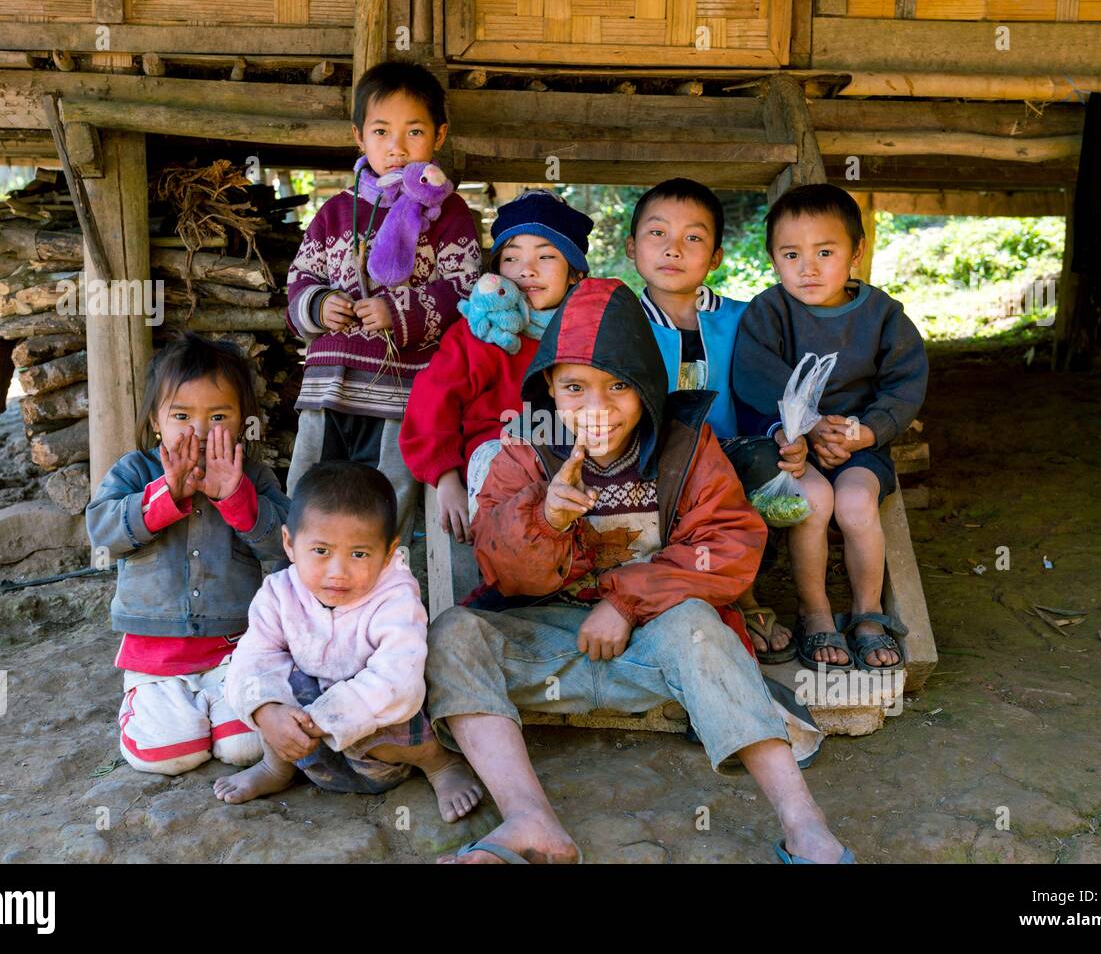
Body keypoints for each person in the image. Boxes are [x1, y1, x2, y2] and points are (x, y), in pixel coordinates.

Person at [425, 277, 843, 864]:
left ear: (648, 384)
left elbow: (729, 545)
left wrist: (625, 601)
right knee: (451, 634)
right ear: (548, 384)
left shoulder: (685, 448)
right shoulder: (523, 452)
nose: (596, 410)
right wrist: (546, 518)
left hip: (654, 650)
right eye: (574, 388)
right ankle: (531, 821)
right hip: (548, 651)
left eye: (619, 386)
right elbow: (505, 574)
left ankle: (806, 826)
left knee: (701, 622)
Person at [215, 461, 484, 822]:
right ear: (290, 544)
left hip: (381, 744)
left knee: (395, 712)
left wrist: (328, 717)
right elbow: (253, 657)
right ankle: (276, 768)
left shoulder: (396, 596)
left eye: (359, 554)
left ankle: (439, 765)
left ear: (389, 553)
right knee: (271, 689)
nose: (337, 572)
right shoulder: (279, 593)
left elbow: (397, 681)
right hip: (306, 739)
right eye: (321, 551)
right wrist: (268, 713)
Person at [733, 183, 928, 671]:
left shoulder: (883, 316)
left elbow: (905, 384)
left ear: (856, 251)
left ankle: (868, 614)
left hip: (858, 442)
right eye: (791, 254)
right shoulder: (769, 311)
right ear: (773, 259)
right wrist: (806, 427)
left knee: (858, 503)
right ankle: (815, 613)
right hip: (792, 446)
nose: (808, 267)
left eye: (825, 251)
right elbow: (755, 377)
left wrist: (868, 431)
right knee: (812, 503)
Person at [285, 60, 480, 540]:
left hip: (401, 393)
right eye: (381, 131)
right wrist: (318, 303)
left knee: (387, 500)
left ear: (439, 134)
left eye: (414, 131)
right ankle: (305, 587)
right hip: (329, 387)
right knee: (309, 490)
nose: (396, 147)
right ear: (359, 137)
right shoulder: (334, 212)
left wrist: (400, 312)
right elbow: (299, 278)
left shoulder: (450, 215)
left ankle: (382, 590)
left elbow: (464, 291)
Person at [86, 332, 290, 775]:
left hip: (233, 651)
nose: (199, 431)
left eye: (218, 415)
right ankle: (143, 702)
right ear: (157, 421)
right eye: (182, 415)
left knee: (246, 748)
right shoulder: (134, 471)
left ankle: (213, 712)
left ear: (241, 420)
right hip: (157, 658)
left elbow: (286, 545)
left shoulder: (252, 476)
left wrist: (238, 497)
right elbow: (101, 533)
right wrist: (163, 495)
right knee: (175, 754)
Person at [627, 177, 794, 663]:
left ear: (716, 257)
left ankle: (744, 594)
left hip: (731, 459)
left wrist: (781, 431)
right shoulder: (621, 325)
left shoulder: (745, 319)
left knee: (766, 465)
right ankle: (717, 599)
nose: (673, 249)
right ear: (631, 246)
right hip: (650, 460)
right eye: (657, 234)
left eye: (693, 238)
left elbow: (765, 393)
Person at [400, 189, 593, 543]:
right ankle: (514, 573)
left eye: (546, 256)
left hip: (573, 453)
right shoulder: (480, 331)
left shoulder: (589, 334)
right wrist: (445, 478)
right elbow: (432, 400)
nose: (526, 271)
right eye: (511, 258)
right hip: (495, 457)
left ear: (575, 274)